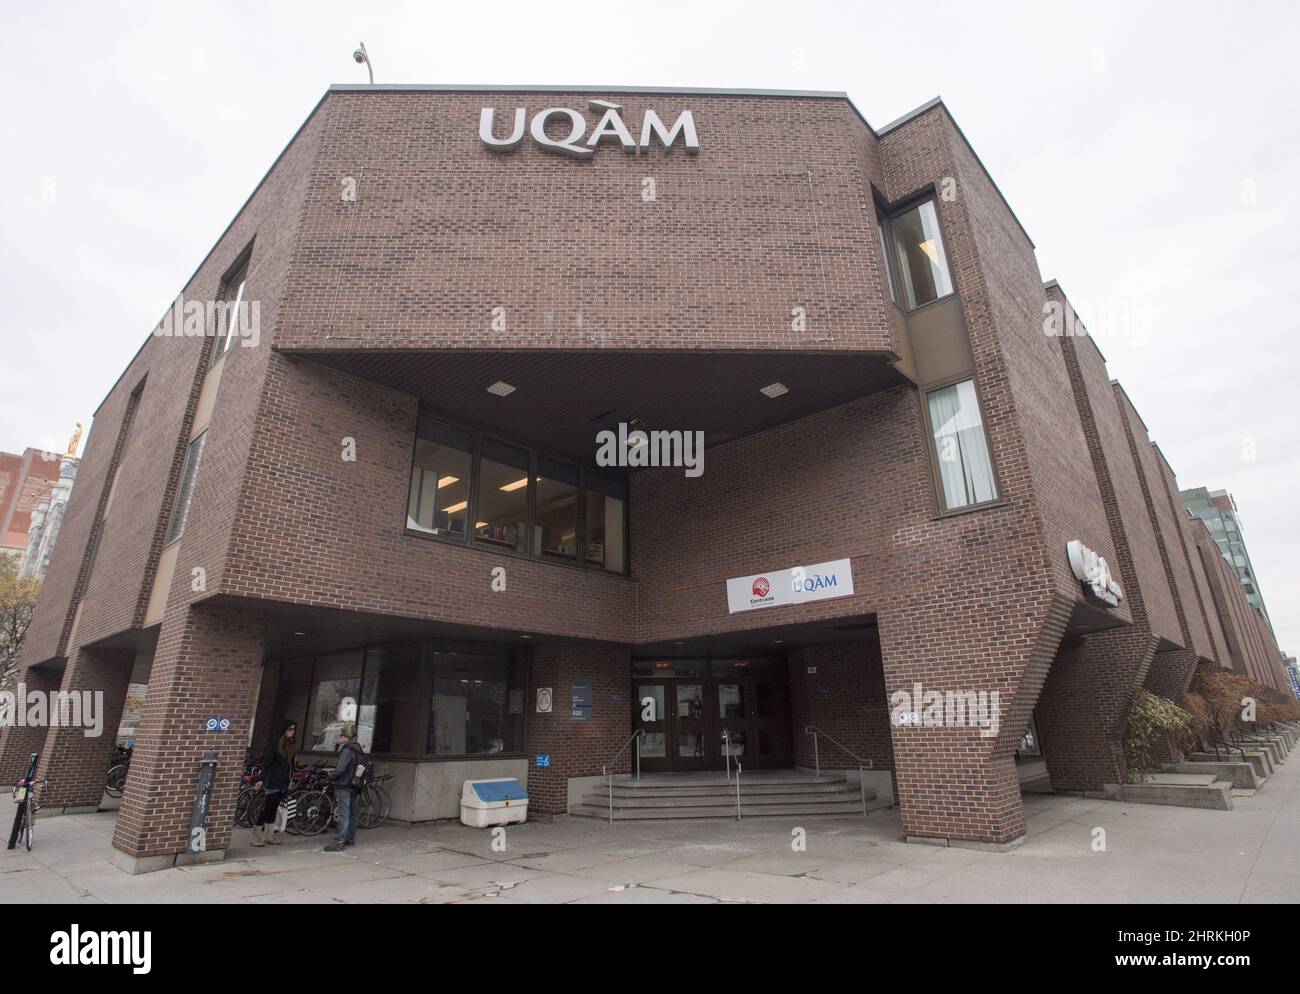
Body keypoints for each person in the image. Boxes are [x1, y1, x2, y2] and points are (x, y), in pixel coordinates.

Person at [252, 719, 296, 847]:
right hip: (273, 780)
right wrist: (261, 778)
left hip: (283, 781)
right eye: (290, 729)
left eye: (293, 729)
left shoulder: (290, 745)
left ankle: (268, 836)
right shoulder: (274, 744)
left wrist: (290, 780)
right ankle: (256, 835)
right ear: (284, 730)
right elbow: (266, 762)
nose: (292, 732)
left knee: (274, 809)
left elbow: (291, 765)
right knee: (267, 808)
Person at [323, 723, 362, 853]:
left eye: (341, 735)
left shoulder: (347, 750)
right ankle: (349, 838)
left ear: (346, 736)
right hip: (354, 785)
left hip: (344, 784)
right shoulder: (358, 748)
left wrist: (331, 776)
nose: (340, 738)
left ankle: (338, 841)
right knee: (352, 812)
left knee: (344, 814)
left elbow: (340, 769)